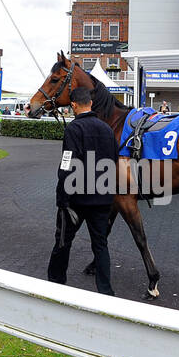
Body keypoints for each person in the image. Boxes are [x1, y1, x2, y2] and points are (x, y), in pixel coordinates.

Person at [47, 86, 118, 295]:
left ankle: (55, 284)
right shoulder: (107, 129)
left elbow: (67, 165)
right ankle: (105, 292)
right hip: (102, 199)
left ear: (74, 105)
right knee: (100, 246)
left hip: (76, 200)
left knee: (63, 242)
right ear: (91, 104)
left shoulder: (73, 129)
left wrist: (62, 199)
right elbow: (114, 161)